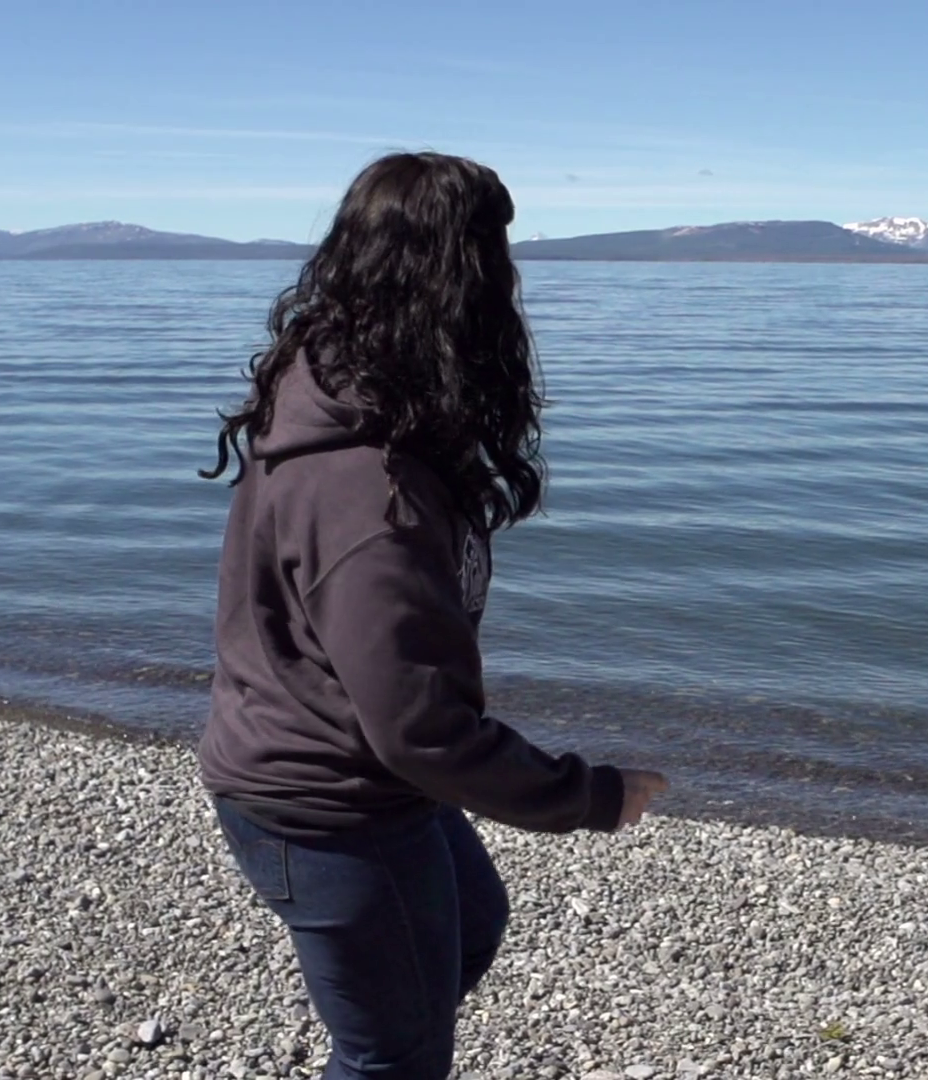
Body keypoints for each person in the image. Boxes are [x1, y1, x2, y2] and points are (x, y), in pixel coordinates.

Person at [196, 151, 669, 1080]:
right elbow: (423, 731)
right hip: (329, 807)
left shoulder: (338, 390)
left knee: (472, 924)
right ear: (461, 280)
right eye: (498, 254)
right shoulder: (368, 492)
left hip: (332, 773)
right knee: (393, 1059)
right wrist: (592, 796)